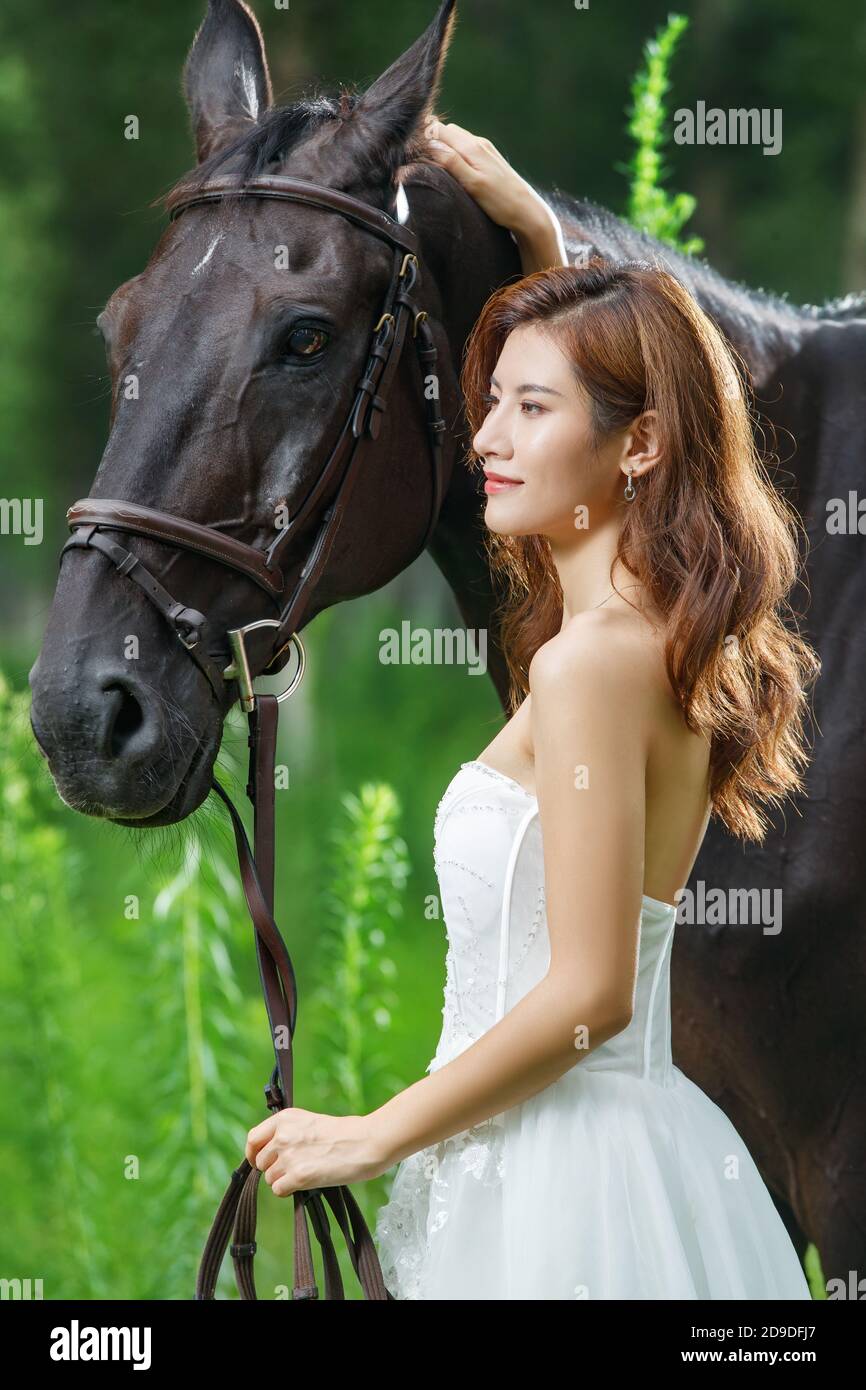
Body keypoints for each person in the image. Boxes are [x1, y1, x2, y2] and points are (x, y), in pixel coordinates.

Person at [245, 121, 819, 1300]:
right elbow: (634, 377)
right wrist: (539, 244)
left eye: (529, 411)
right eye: (489, 402)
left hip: (567, 1186)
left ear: (639, 446)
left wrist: (372, 1132)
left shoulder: (589, 666)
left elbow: (591, 993)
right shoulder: (636, 633)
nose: (487, 440)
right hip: (587, 1152)